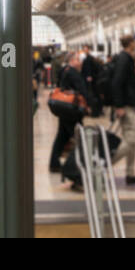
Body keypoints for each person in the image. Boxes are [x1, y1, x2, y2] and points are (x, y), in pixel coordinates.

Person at [107, 35, 135, 186]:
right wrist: (119, 105)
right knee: (131, 141)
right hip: (125, 106)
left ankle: (130, 173)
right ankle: (105, 164)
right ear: (130, 44)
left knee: (133, 142)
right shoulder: (124, 59)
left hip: (130, 104)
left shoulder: (129, 58)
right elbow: (117, 83)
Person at [49, 51, 92, 185]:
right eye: (78, 59)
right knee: (77, 138)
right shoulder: (72, 72)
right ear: (72, 60)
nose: (80, 62)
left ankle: (54, 163)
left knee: (62, 136)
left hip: (64, 109)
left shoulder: (64, 70)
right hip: (71, 110)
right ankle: (74, 166)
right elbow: (82, 90)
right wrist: (89, 104)